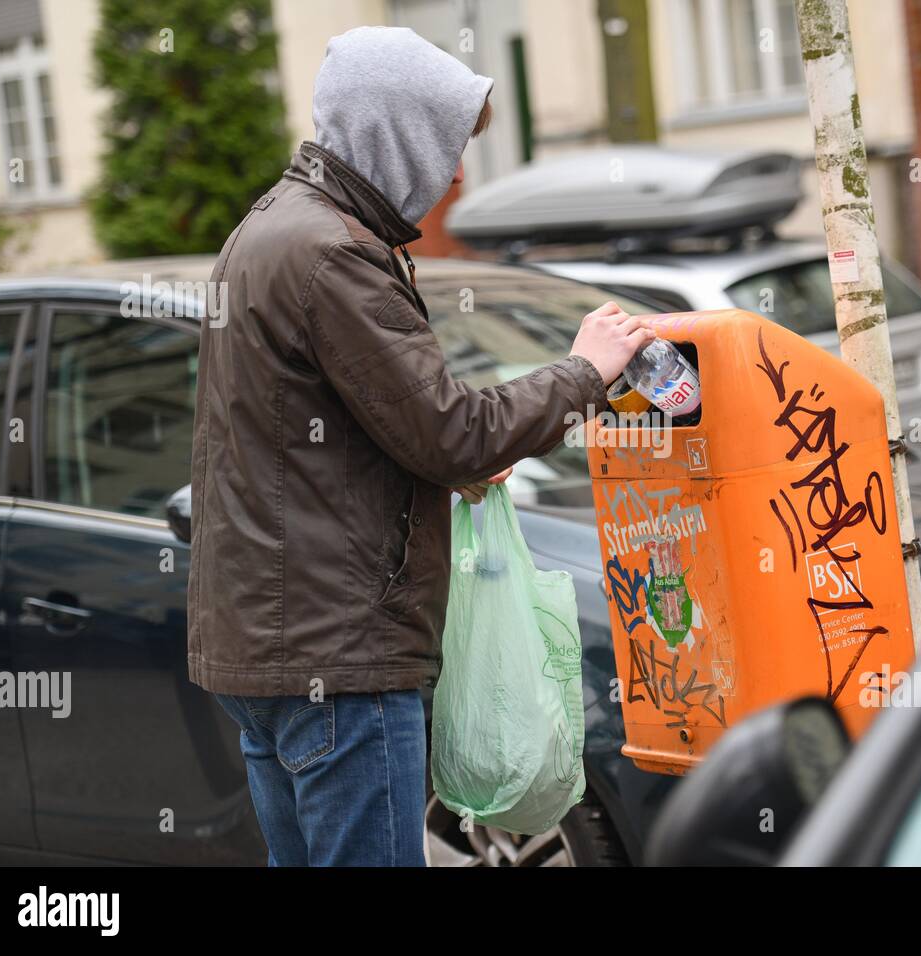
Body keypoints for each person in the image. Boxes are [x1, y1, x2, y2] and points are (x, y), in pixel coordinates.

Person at [186, 26, 655, 866]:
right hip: (340, 659)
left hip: (266, 649)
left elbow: (324, 438)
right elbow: (451, 433)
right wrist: (585, 371)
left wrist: (447, 460)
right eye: (446, 148)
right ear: (396, 138)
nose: (459, 175)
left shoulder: (267, 231)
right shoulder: (336, 256)